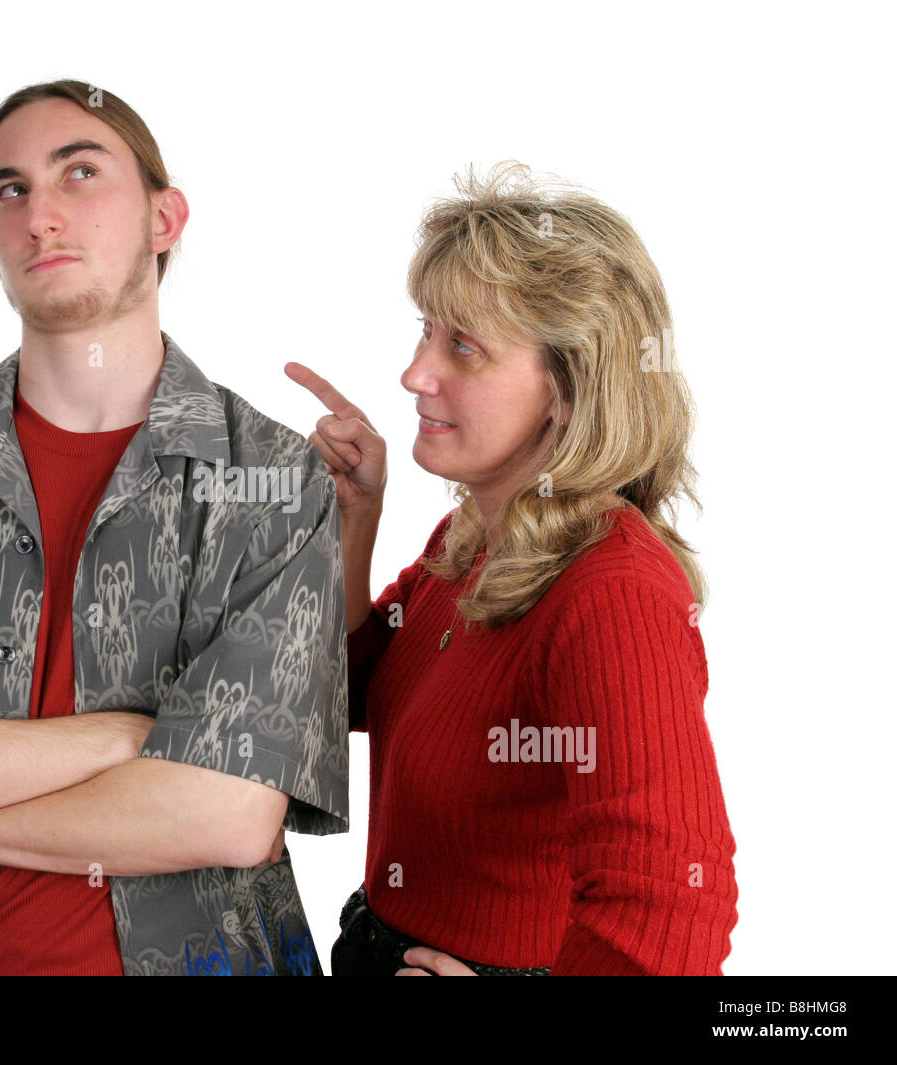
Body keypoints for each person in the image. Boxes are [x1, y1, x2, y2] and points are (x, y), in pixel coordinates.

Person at [0, 79, 348, 976]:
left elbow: (227, 812)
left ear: (164, 219)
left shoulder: (272, 481)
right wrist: (124, 738)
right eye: (8, 189)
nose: (40, 214)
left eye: (79, 174)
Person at [287, 162, 737, 975]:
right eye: (426, 331)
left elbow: (673, 911)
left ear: (566, 390)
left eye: (462, 345)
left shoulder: (615, 591)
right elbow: (347, 697)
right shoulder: (471, 539)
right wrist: (356, 520)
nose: (415, 373)